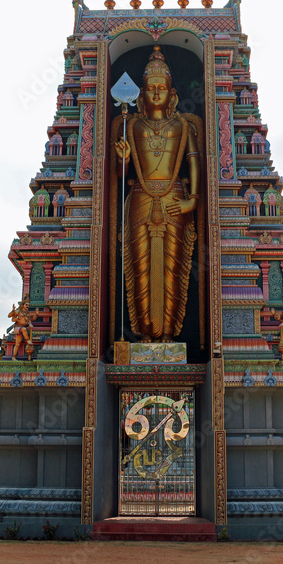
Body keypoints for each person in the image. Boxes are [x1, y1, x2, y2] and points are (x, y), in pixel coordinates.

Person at [113, 46, 202, 342]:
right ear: (140, 95)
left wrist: (193, 200)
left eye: (161, 88)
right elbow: (120, 177)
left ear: (172, 93)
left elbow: (193, 162)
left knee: (172, 270)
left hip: (174, 201)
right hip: (139, 200)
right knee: (139, 269)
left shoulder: (182, 125)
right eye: (150, 88)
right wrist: (123, 158)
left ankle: (168, 337)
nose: (155, 94)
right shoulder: (131, 124)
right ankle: (144, 336)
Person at [8, 295, 33, 360]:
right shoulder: (18, 311)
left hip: (22, 330)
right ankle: (28, 340)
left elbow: (30, 320)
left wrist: (30, 324)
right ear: (23, 305)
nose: (28, 306)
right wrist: (13, 311)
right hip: (18, 327)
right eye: (26, 304)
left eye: (28, 305)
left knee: (17, 344)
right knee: (24, 329)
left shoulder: (27, 314)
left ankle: (14, 357)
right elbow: (11, 318)